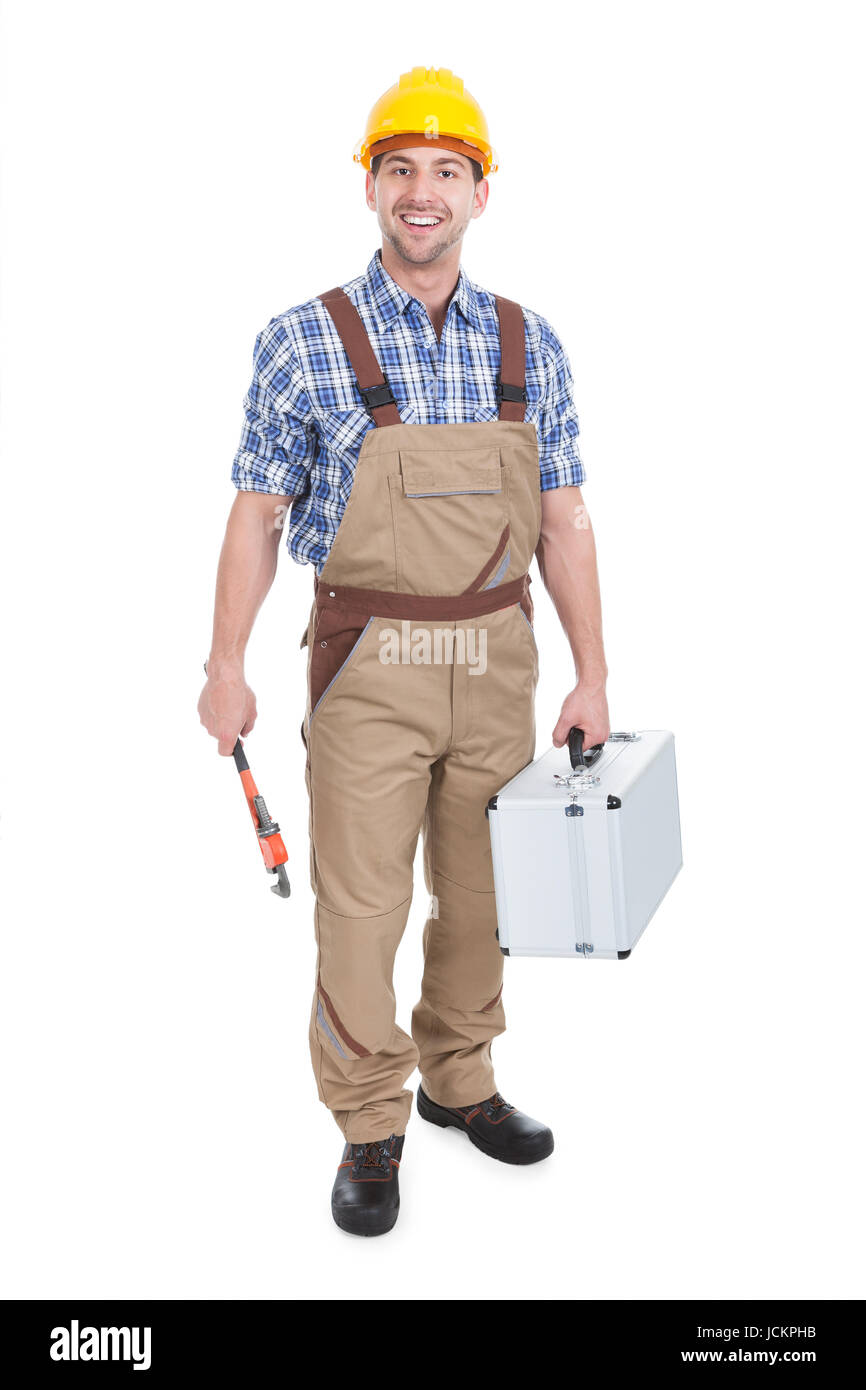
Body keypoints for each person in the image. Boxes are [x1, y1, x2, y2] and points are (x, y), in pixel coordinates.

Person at [198, 67, 610, 1237]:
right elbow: (255, 513)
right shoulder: (302, 339)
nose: (419, 192)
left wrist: (591, 673)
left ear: (481, 192)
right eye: (398, 169)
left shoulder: (532, 344)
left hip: (496, 662)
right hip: (366, 667)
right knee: (361, 909)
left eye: (445, 171)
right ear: (369, 186)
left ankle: (459, 1082)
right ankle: (369, 1118)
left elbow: (564, 518)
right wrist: (224, 666)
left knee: (485, 901)